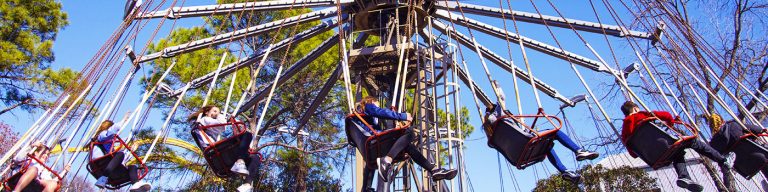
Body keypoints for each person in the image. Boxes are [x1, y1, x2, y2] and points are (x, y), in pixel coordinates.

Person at [348, 96, 457, 192]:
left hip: (372, 150)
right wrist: (402, 116)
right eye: (377, 105)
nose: (377, 107)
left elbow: (369, 161)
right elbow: (380, 112)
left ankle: (433, 170)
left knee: (407, 146)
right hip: (375, 144)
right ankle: (387, 161)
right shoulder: (368, 106)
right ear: (371, 101)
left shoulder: (361, 122)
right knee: (410, 134)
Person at [621, 101, 729, 192]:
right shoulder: (641, 115)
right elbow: (666, 115)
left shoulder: (624, 133)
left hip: (652, 156)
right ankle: (721, 160)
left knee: (678, 153)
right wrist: (671, 122)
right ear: (635, 109)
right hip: (665, 144)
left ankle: (684, 177)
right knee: (694, 142)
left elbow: (633, 154)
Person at [482, 104, 598, 184]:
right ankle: (578, 150)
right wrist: (495, 85)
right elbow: (501, 98)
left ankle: (565, 171)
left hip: (518, 157)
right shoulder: (501, 120)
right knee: (554, 132)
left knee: (545, 145)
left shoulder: (492, 137)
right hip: (526, 144)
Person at [188, 105, 260, 192]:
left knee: (255, 157)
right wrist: (221, 115)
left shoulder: (208, 124)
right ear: (206, 112)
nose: (216, 114)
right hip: (214, 151)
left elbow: (220, 128)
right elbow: (221, 126)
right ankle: (239, 161)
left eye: (217, 112)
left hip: (217, 156)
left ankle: (247, 185)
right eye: (214, 111)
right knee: (247, 134)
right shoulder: (205, 119)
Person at [92, 112, 152, 192]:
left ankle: (135, 186)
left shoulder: (109, 144)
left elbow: (119, 157)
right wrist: (123, 120)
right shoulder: (102, 136)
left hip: (110, 166)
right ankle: (104, 177)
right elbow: (111, 132)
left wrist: (130, 150)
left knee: (133, 167)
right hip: (101, 162)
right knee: (120, 154)